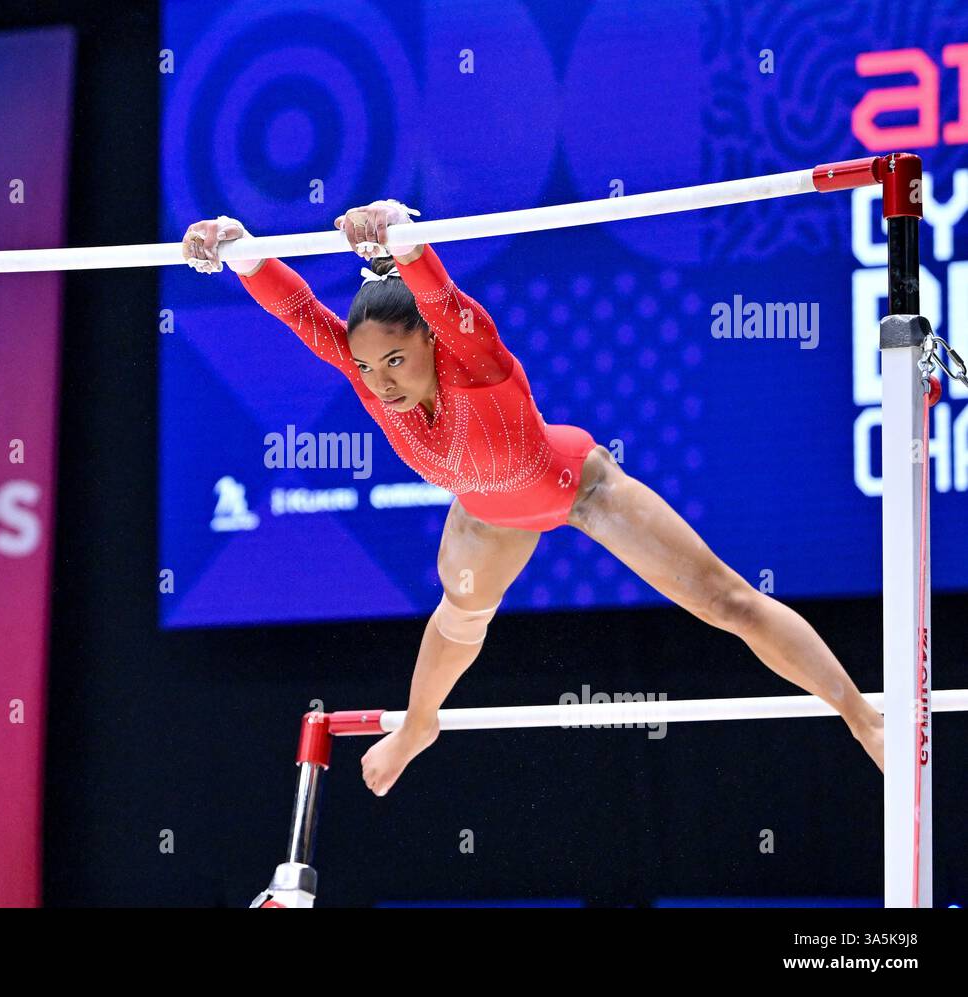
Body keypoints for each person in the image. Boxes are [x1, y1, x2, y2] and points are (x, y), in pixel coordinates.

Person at [182, 199, 884, 795]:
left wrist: (405, 234)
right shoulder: (368, 380)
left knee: (727, 600)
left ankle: (860, 715)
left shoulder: (476, 359)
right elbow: (300, 310)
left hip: (577, 488)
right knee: (458, 619)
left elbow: (442, 299)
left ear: (431, 342)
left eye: (395, 359)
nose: (381, 380)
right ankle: (419, 723)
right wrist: (236, 246)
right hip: (487, 512)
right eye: (368, 365)